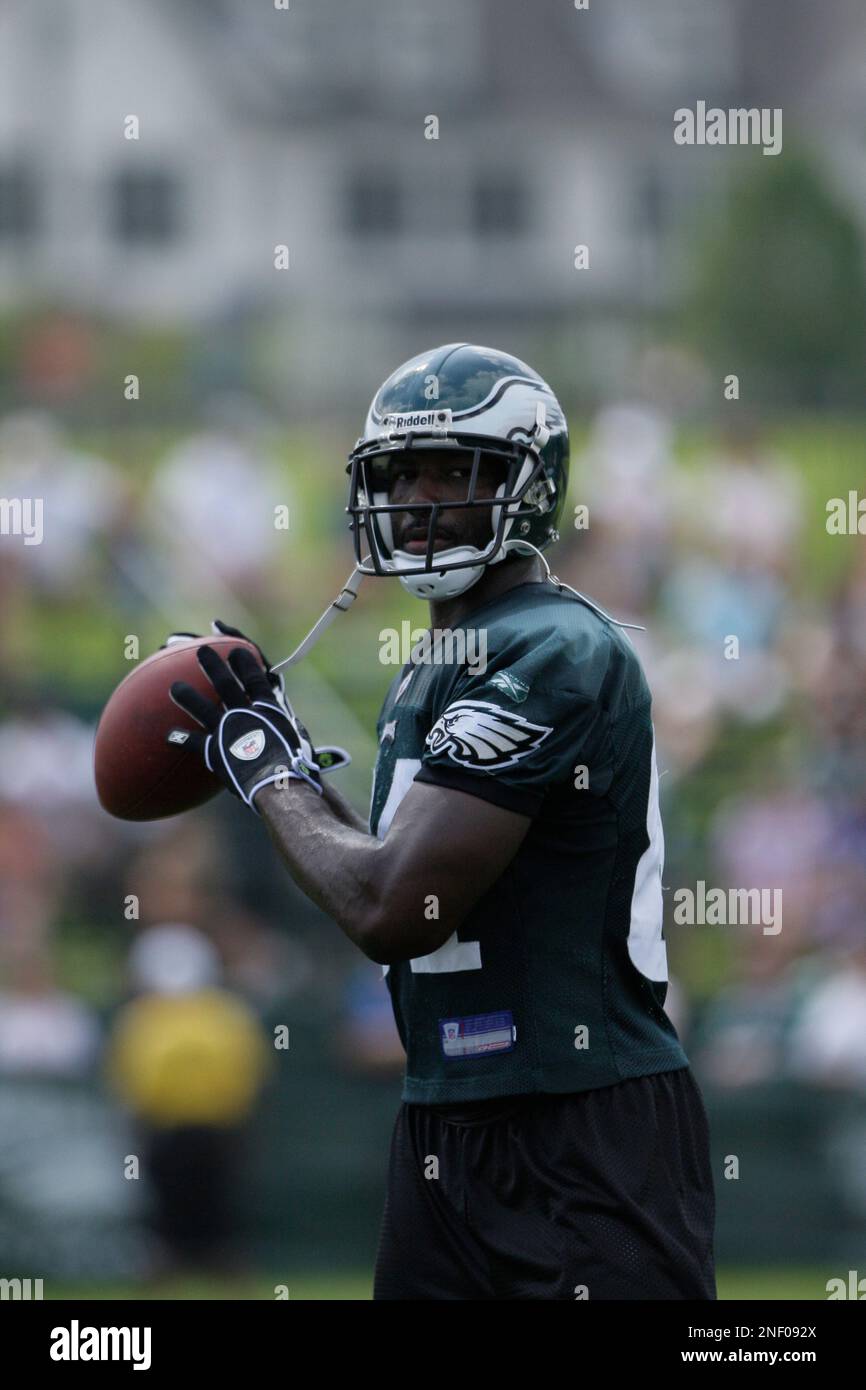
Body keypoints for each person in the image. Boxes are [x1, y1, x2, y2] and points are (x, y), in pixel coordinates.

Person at [166, 343, 716, 1300]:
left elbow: (395, 907)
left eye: (453, 473)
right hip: (444, 1121)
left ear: (526, 487)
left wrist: (264, 767)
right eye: (400, 473)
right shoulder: (441, 660)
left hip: (579, 1120)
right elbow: (384, 868)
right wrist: (285, 756)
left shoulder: (554, 648)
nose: (418, 499)